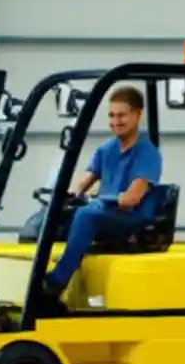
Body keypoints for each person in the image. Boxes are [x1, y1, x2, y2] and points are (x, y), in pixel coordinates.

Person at [42, 86, 163, 294]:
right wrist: (66, 198)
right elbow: (83, 182)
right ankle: (37, 273)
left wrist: (100, 200)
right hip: (106, 213)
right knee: (50, 218)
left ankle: (55, 283)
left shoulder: (147, 153)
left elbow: (131, 199)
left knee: (86, 216)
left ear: (137, 114)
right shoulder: (106, 150)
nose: (116, 121)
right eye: (112, 115)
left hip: (131, 219)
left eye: (122, 115)